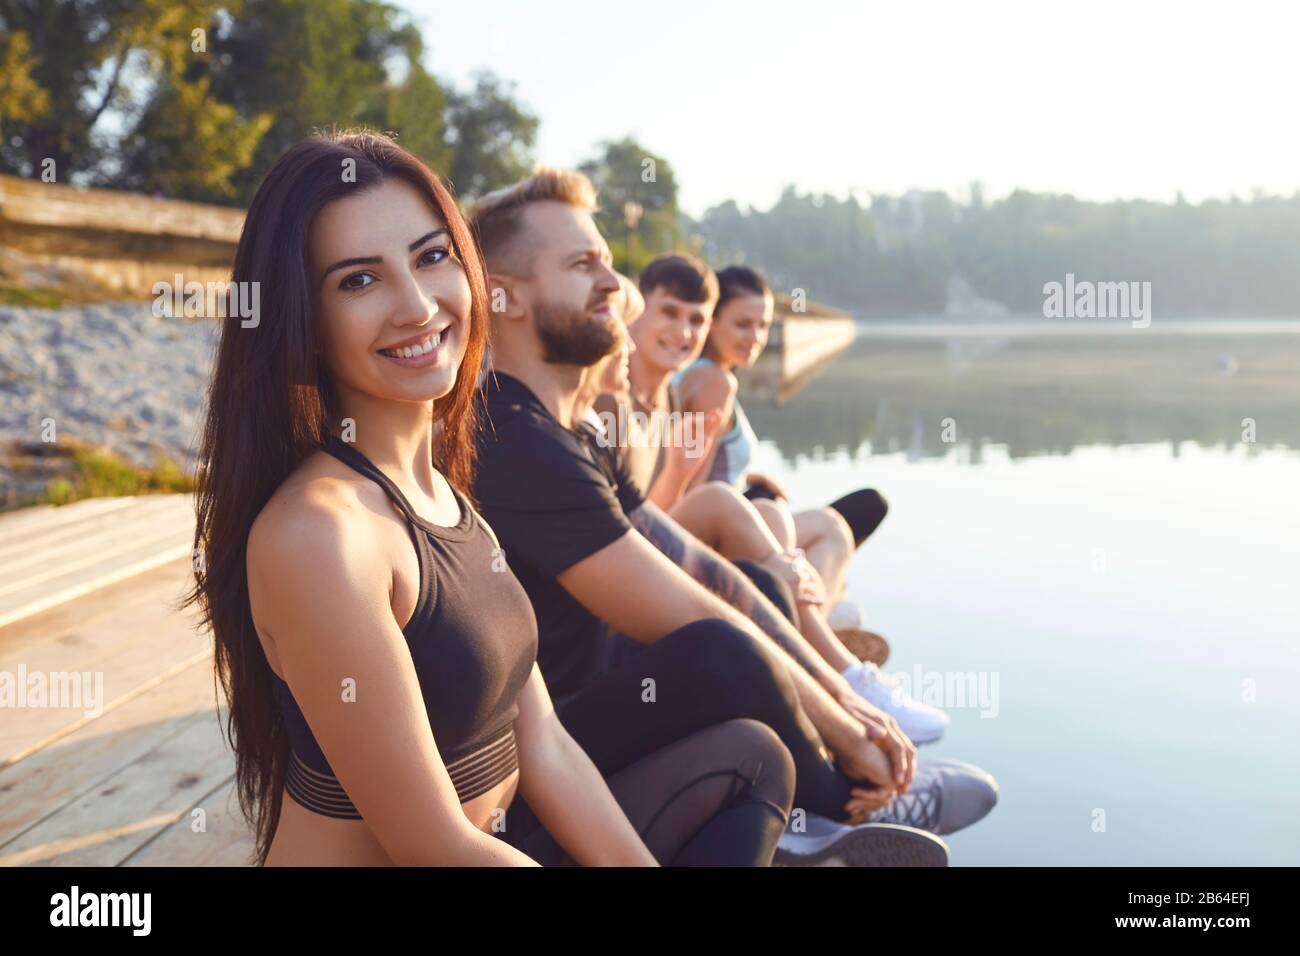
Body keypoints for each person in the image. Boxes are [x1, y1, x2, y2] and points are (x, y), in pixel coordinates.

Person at [185, 131, 796, 867]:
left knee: (756, 759)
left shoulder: (446, 493)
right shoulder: (318, 535)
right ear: (300, 320)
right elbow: (434, 844)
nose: (417, 305)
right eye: (358, 280)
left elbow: (545, 745)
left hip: (499, 848)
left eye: (432, 256)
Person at [468, 168, 997, 865]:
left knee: (762, 589)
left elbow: (709, 574)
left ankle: (840, 803)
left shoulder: (570, 430)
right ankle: (850, 804)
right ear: (501, 295)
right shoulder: (512, 437)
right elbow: (689, 612)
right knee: (721, 647)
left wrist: (844, 697)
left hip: (592, 702)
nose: (611, 283)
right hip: (538, 756)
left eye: (604, 259)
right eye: (580, 264)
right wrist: (843, 729)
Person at [675, 265, 921, 716]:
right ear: (712, 321)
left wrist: (750, 481)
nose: (755, 337)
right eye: (742, 324)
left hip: (735, 509)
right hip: (720, 534)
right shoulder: (714, 382)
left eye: (763, 324)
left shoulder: (707, 375)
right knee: (831, 526)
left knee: (863, 508)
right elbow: (690, 483)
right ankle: (820, 637)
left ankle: (825, 616)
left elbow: (700, 461)